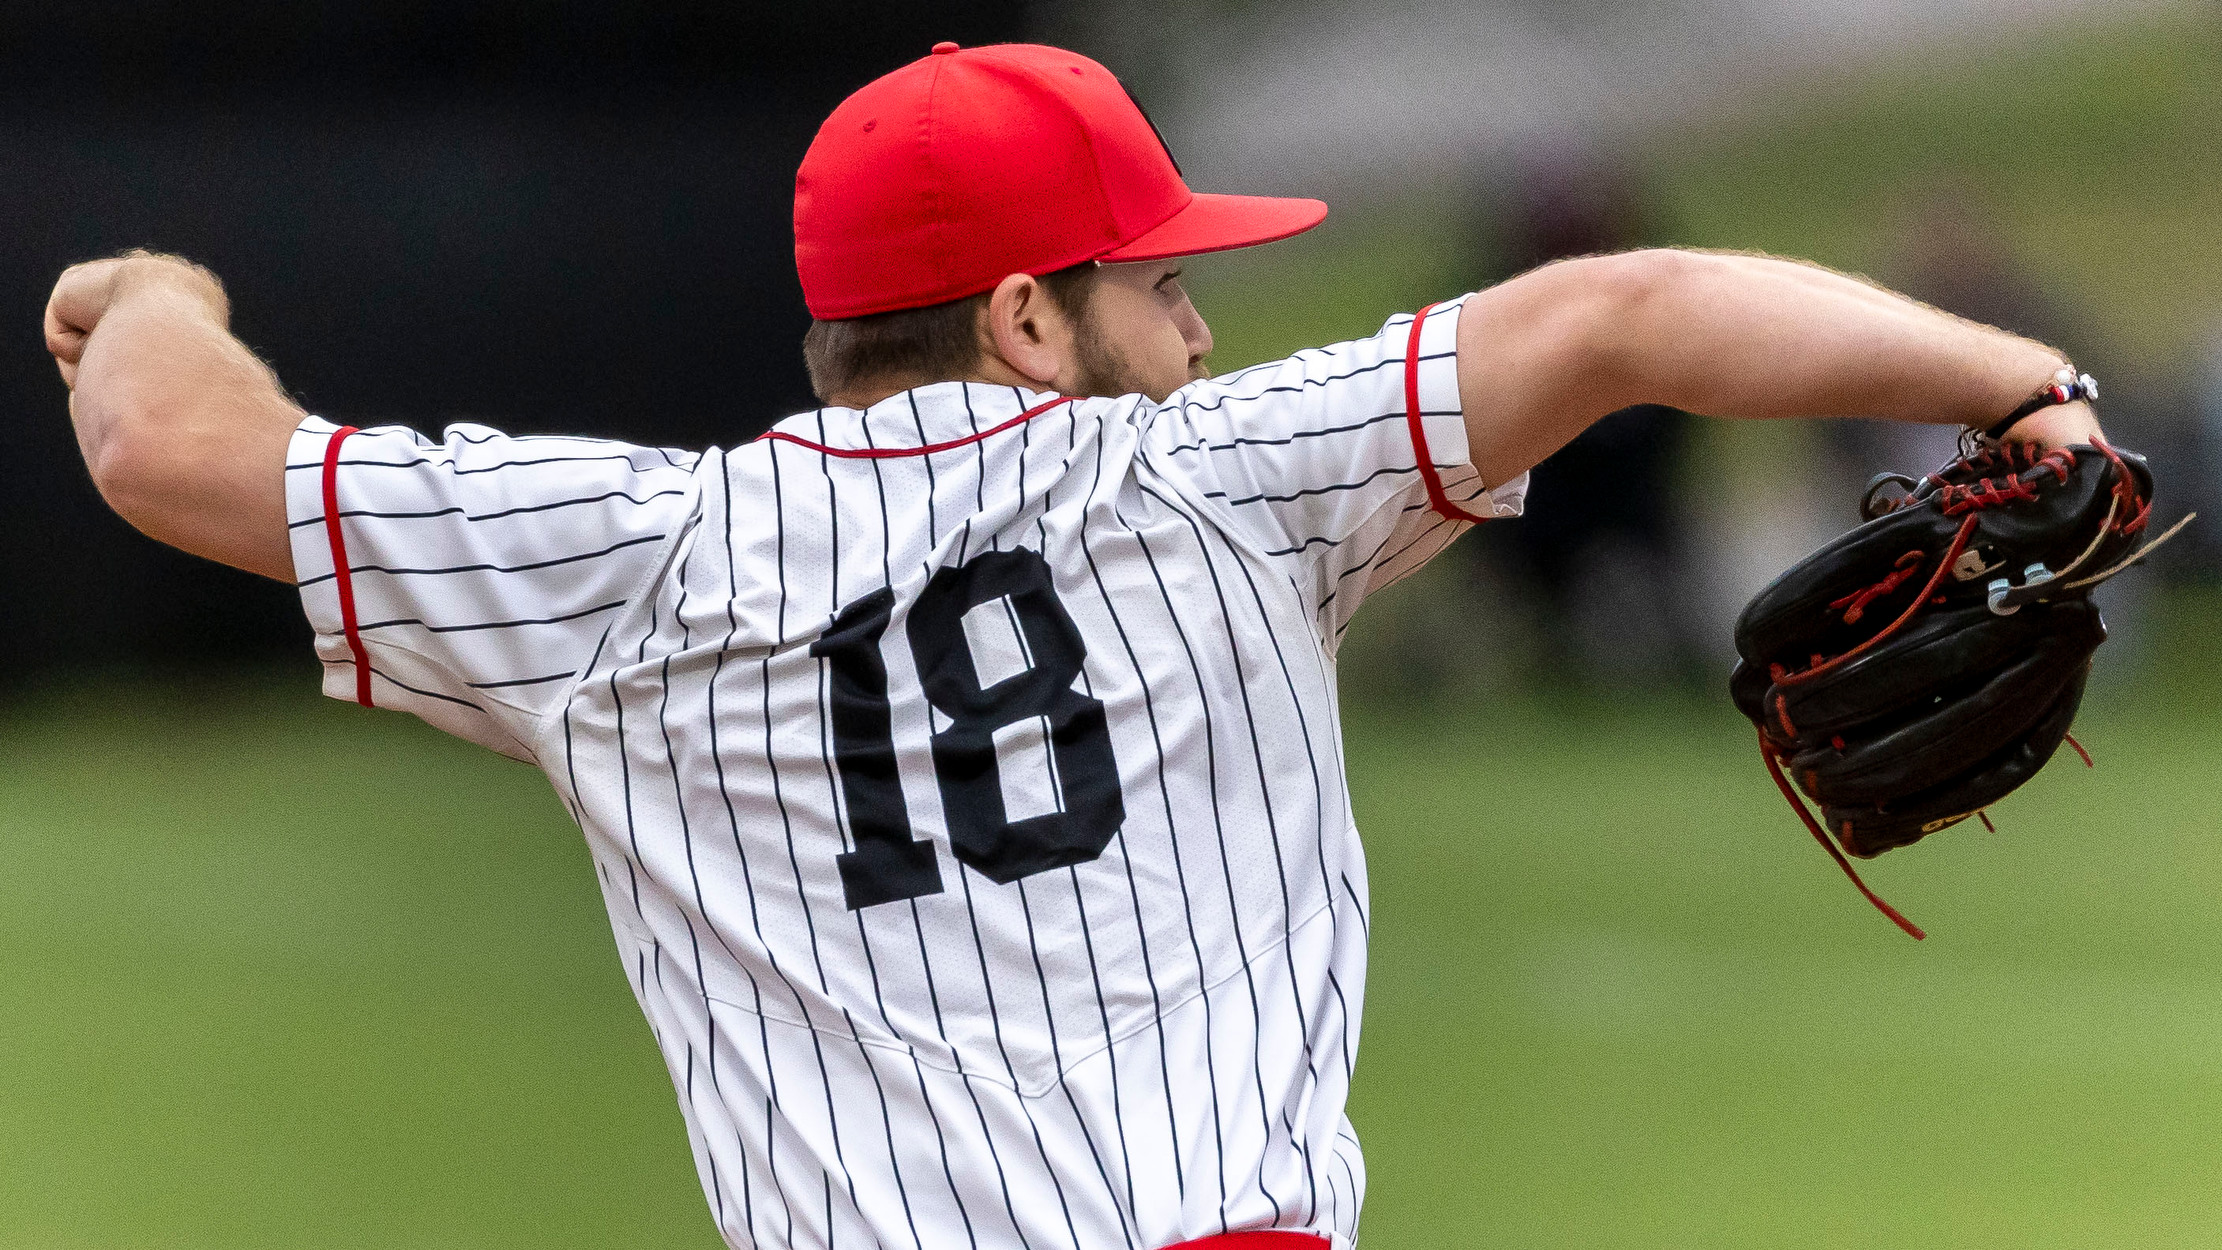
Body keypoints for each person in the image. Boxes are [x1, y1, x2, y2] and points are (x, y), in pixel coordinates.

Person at [43, 40, 2102, 1250]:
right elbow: (1628, 310)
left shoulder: (638, 573)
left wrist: (149, 284)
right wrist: (2018, 382)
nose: (1197, 324)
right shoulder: (1217, 473)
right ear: (1029, 318)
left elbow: (163, 440)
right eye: (1156, 281)